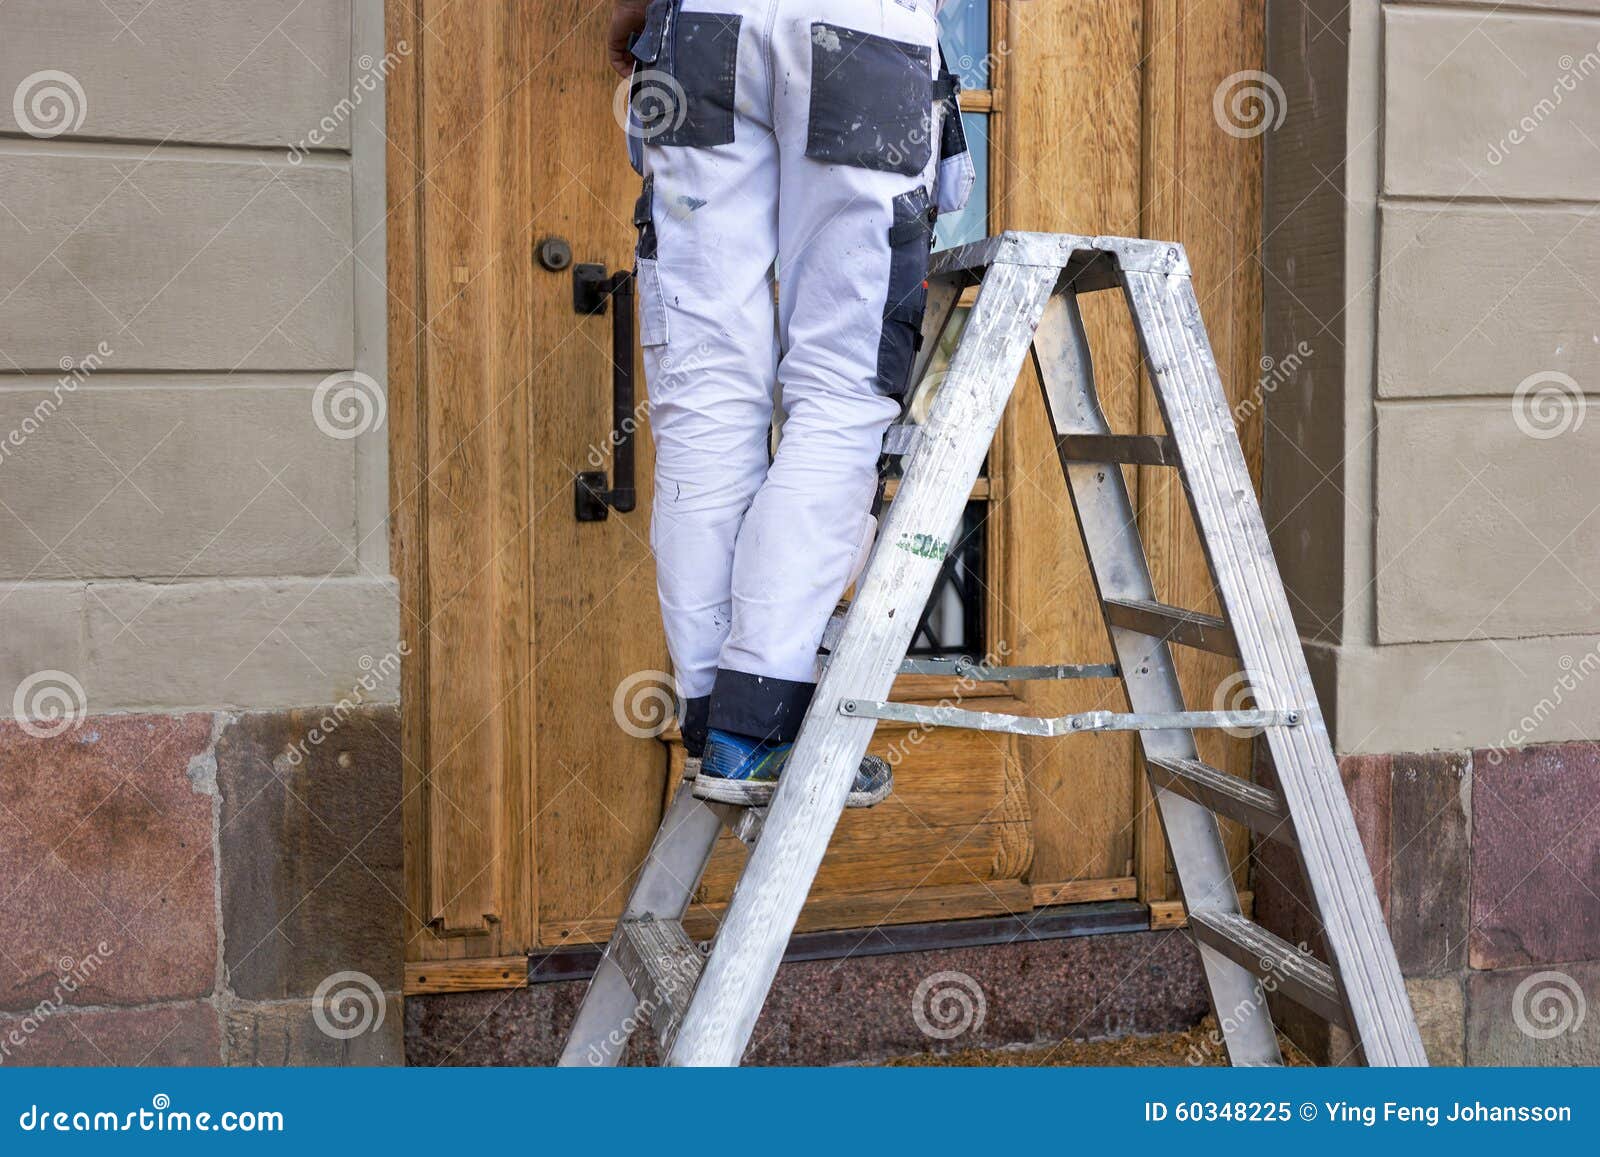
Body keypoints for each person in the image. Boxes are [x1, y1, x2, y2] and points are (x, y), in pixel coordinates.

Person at [608, 0, 974, 806]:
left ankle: (717, 719)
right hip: (862, 31)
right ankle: (754, 725)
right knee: (840, 396)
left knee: (703, 399)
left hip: (700, 27)